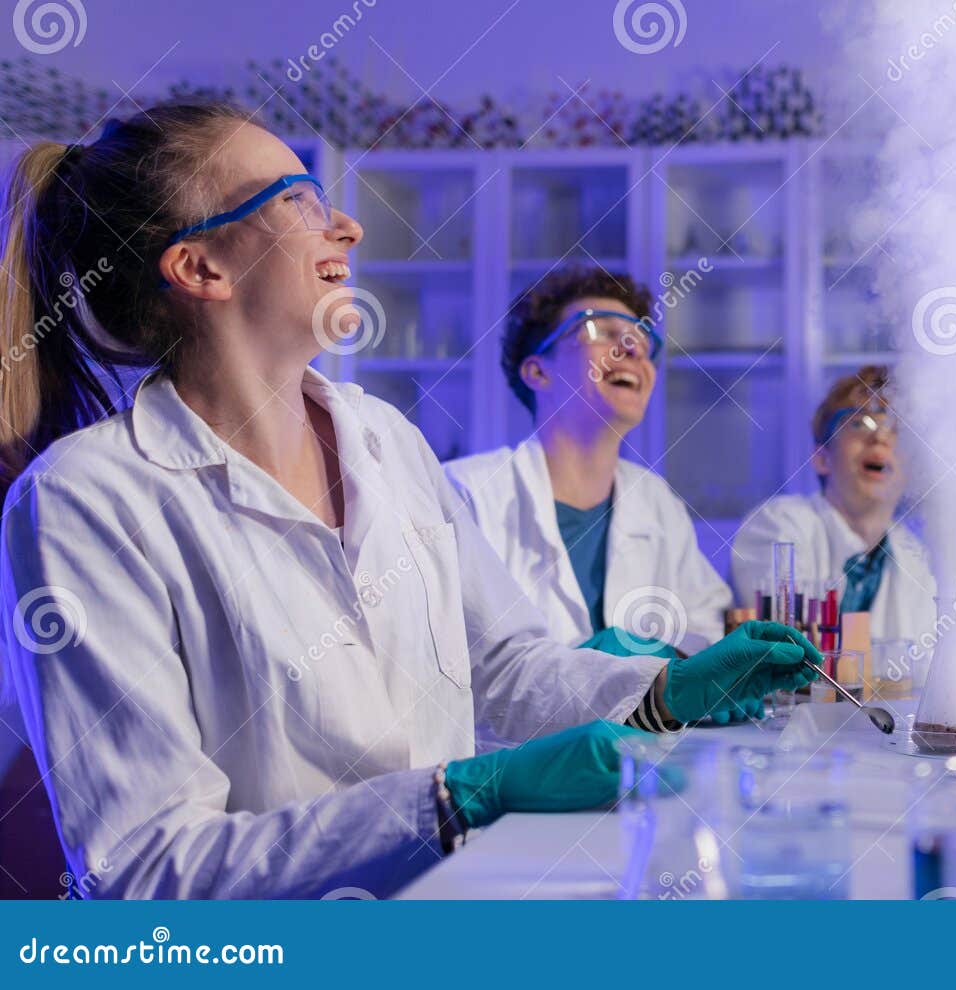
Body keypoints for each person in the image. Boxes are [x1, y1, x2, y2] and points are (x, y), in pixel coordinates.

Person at [0, 104, 816, 899]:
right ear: (201, 267)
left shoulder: (385, 439)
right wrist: (451, 799)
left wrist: (666, 692)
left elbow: (506, 666)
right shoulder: (87, 501)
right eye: (298, 200)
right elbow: (146, 870)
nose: (347, 226)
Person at [445, 266, 730, 656]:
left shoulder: (656, 502)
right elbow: (447, 666)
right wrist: (589, 670)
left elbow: (704, 626)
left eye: (644, 343)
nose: (633, 349)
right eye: (602, 332)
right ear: (538, 372)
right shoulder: (466, 495)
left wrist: (687, 664)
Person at [731, 366, 936, 641]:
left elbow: (923, 664)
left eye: (896, 429)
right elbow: (791, 643)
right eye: (859, 423)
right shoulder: (776, 526)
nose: (880, 437)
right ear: (821, 457)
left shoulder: (917, 561)